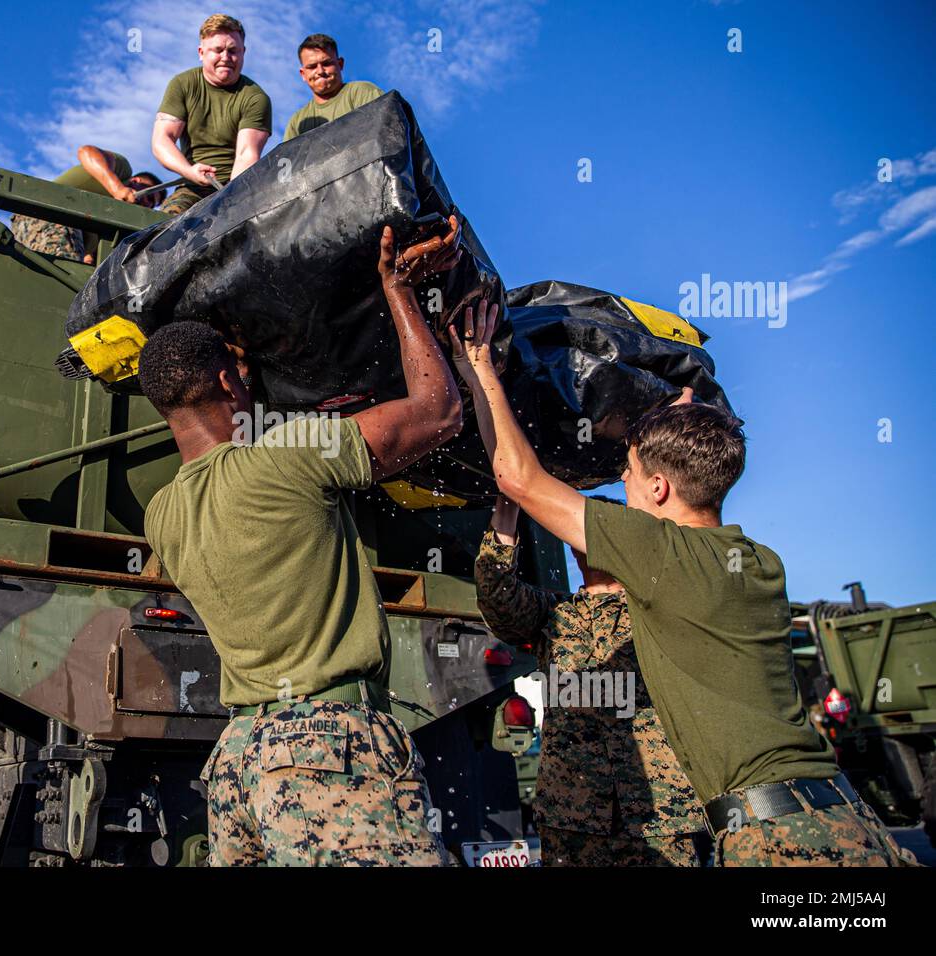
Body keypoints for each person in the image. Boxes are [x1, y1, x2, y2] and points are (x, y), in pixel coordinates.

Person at [449, 304, 906, 866]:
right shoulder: (759, 563)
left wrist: (481, 370)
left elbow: (518, 479)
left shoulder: (664, 558)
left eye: (631, 474)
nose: (622, 481)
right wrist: (680, 418)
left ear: (661, 489)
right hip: (843, 818)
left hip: (781, 842)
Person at [139, 218, 464, 866]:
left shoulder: (162, 515)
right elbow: (439, 411)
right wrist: (397, 290)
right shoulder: (288, 456)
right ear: (232, 382)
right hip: (330, 746)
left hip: (240, 758)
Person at [474, 493, 705, 866]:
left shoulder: (659, 612)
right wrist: (509, 504)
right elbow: (495, 591)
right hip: (572, 817)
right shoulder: (554, 614)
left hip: (659, 815)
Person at [151, 14, 271, 216]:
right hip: (192, 187)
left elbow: (246, 154)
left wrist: (232, 200)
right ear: (201, 52)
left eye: (233, 51)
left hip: (237, 188)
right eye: (218, 50)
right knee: (166, 226)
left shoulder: (255, 98)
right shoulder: (183, 84)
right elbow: (162, 139)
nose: (226, 57)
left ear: (243, 52)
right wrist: (189, 172)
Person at [10, 145, 164, 264]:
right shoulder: (122, 171)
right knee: (63, 275)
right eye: (150, 196)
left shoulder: (112, 221)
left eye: (152, 205)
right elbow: (86, 152)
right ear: (136, 181)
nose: (148, 204)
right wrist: (117, 188)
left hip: (36, 231)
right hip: (46, 215)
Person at [283, 34, 383, 141]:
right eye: (312, 67)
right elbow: (287, 157)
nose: (320, 71)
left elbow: (383, 132)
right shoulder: (296, 122)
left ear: (340, 64)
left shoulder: (362, 92)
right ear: (303, 74)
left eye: (326, 63)